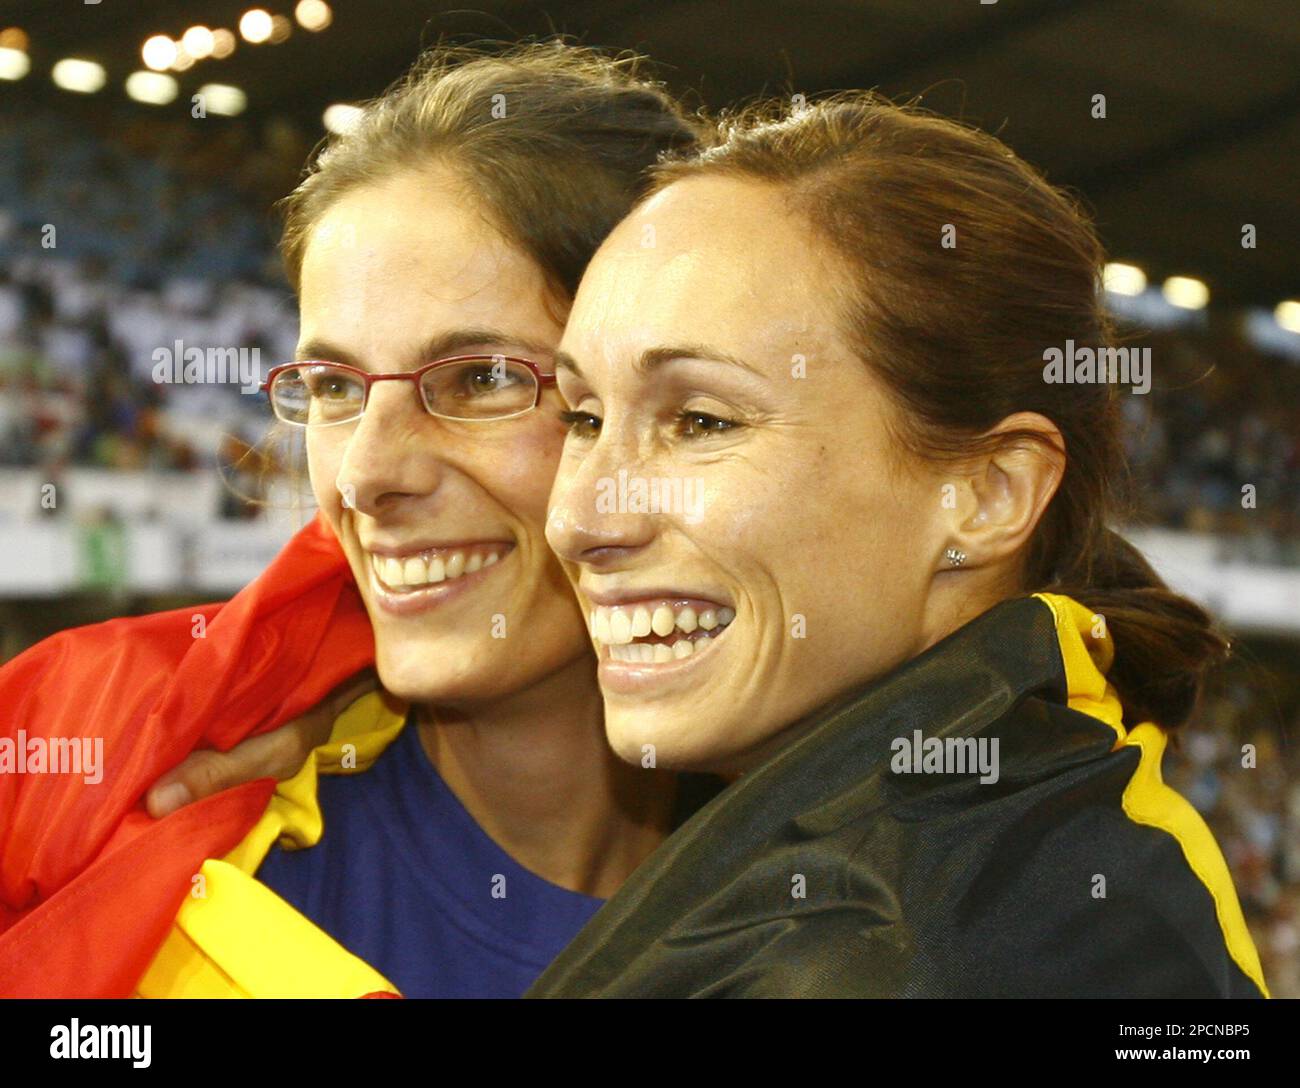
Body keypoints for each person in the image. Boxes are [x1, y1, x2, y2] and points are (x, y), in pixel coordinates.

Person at [0, 42, 708, 999]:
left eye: (482, 378)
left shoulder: (890, 866)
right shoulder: (147, 838)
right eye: (334, 386)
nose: (367, 474)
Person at [528, 94, 1269, 997]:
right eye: (583, 415)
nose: (579, 517)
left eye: (700, 420)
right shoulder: (1031, 830)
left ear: (988, 493)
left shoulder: (906, 952)